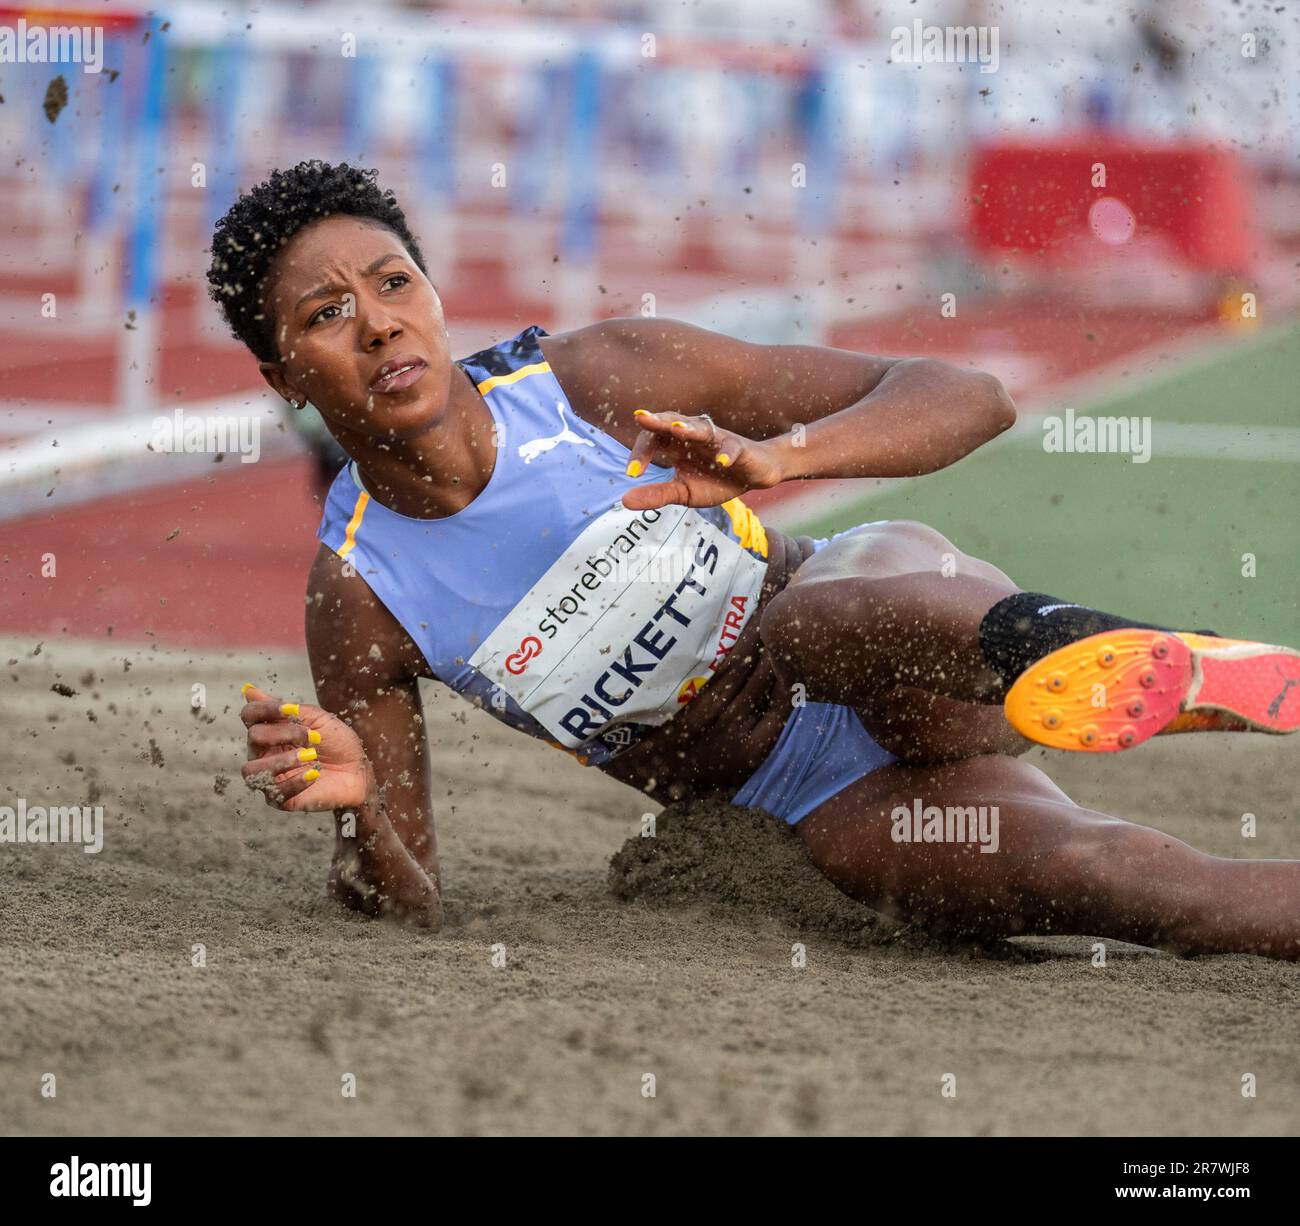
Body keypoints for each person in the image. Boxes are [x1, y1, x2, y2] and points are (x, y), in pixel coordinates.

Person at [210, 162, 1299, 958]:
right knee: (1113, 878)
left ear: (434, 295)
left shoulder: (598, 377)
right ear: (283, 377)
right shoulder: (360, 597)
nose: (380, 328)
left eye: (395, 284)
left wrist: (782, 457)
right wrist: (357, 801)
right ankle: (1106, 675)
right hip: (808, 795)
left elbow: (972, 395)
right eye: (327, 314)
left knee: (804, 628)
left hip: (884, 620)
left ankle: (1109, 652)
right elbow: (406, 900)